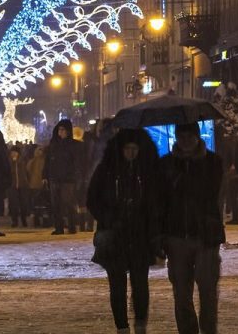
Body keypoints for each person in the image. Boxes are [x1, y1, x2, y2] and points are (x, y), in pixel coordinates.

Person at [87, 129, 162, 334]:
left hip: (140, 234)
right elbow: (93, 199)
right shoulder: (106, 170)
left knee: (140, 284)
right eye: (127, 149)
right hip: (114, 234)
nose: (131, 152)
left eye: (134, 149)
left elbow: (155, 202)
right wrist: (109, 218)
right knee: (117, 285)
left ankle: (140, 324)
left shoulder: (146, 172)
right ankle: (122, 326)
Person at [160, 122, 224, 334]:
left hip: (206, 235)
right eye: (182, 136)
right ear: (176, 138)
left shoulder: (212, 162)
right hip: (176, 235)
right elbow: (161, 201)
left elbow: (213, 193)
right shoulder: (166, 164)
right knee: (181, 293)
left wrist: (188, 172)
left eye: (190, 136)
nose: (186, 141)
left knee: (207, 292)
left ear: (197, 137)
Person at [45, 119, 83, 234]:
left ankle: (72, 226)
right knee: (56, 204)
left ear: (68, 131)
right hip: (54, 178)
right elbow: (48, 162)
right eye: (59, 130)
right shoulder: (54, 145)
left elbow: (77, 162)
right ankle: (59, 227)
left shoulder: (74, 145)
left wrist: (76, 175)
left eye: (63, 130)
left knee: (68, 203)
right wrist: (45, 175)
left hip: (68, 179)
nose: (60, 132)